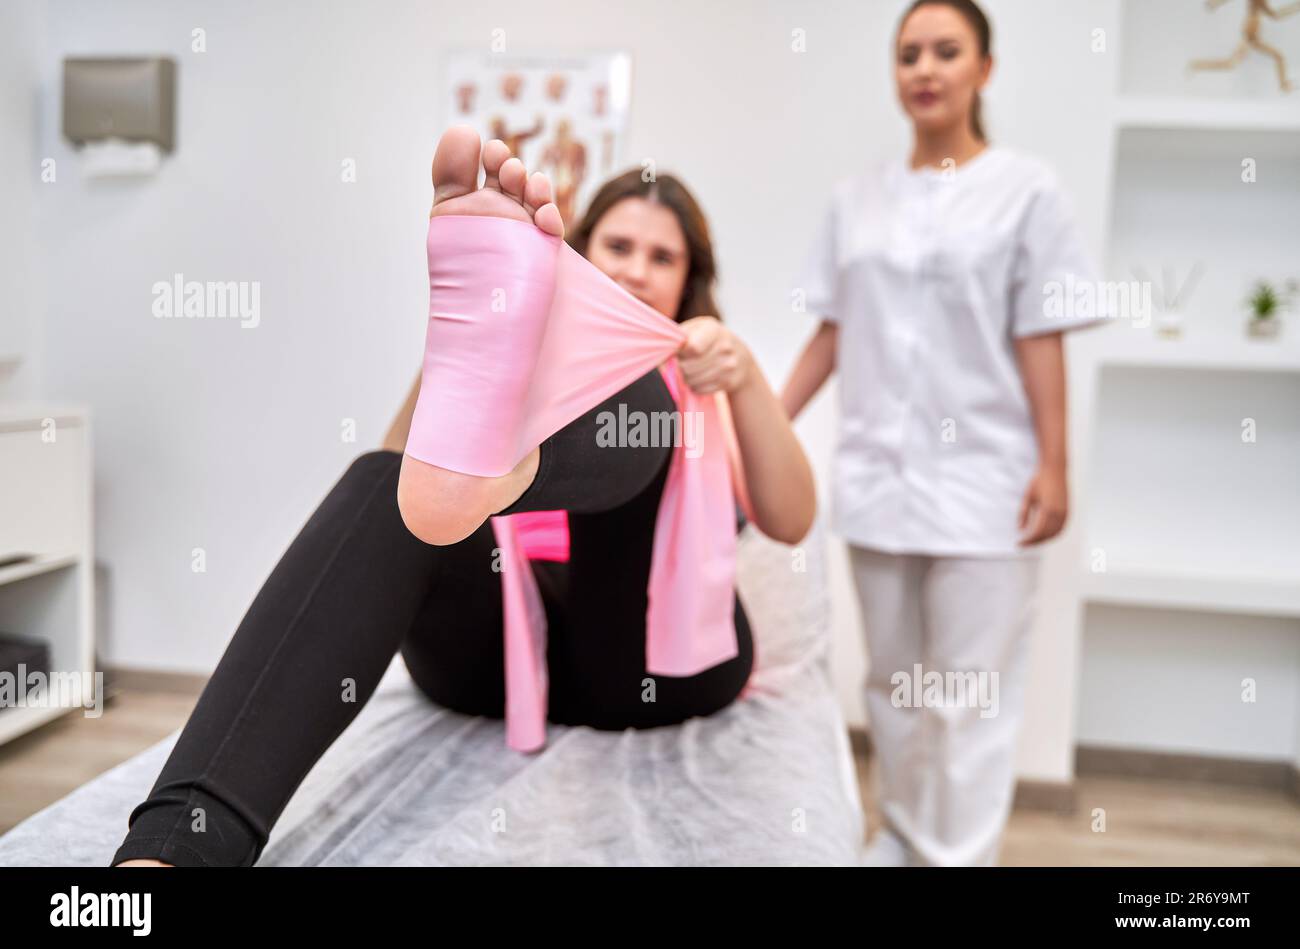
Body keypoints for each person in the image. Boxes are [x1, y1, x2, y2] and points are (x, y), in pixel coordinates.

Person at [111, 125, 814, 866]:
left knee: (643, 392)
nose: (637, 271)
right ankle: (173, 851)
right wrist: (465, 343)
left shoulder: (715, 376)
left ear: (690, 280)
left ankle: (519, 462)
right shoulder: (518, 358)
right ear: (581, 254)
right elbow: (401, 491)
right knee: (391, 477)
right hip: (497, 662)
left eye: (661, 257)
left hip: (650, 668)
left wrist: (745, 379)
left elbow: (793, 520)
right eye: (617, 248)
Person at [781, 0, 1102, 866]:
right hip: (877, 478)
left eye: (946, 51)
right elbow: (834, 331)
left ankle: (956, 856)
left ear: (984, 70)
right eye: (908, 53)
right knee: (891, 686)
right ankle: (903, 841)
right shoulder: (858, 200)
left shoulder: (1028, 191)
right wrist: (760, 423)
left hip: (986, 481)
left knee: (968, 695)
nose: (924, 68)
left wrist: (1055, 465)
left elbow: (1042, 331)